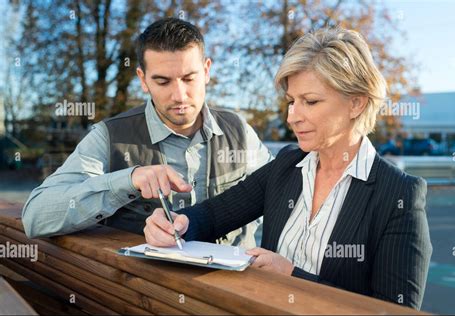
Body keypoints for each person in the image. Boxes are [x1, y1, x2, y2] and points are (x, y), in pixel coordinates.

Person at [143, 27, 432, 310]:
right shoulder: (287, 165)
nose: (292, 117)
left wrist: (293, 278)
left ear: (356, 103)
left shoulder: (399, 194)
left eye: (311, 101)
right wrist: (177, 225)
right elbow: (214, 215)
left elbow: (395, 311)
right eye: (292, 101)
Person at [22, 18, 273, 249]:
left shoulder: (239, 131)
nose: (179, 95)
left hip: (238, 290)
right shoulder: (110, 137)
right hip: (145, 291)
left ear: (206, 71)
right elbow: (36, 216)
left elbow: (280, 193)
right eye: (163, 81)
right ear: (143, 79)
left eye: (189, 78)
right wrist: (127, 180)